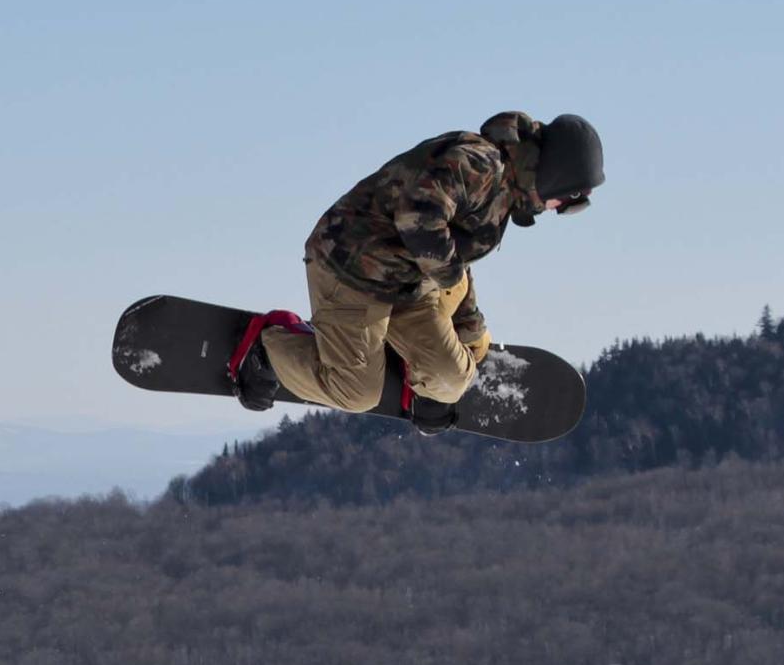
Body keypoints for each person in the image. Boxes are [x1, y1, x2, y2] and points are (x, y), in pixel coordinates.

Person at [230, 112, 603, 434]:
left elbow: (455, 264)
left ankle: (417, 379)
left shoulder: (505, 189)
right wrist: (449, 286)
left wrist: (470, 329)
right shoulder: (480, 164)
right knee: (356, 392)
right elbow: (418, 218)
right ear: (556, 177)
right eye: (567, 201)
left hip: (408, 283)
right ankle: (268, 346)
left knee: (452, 377)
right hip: (353, 268)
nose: (557, 210)